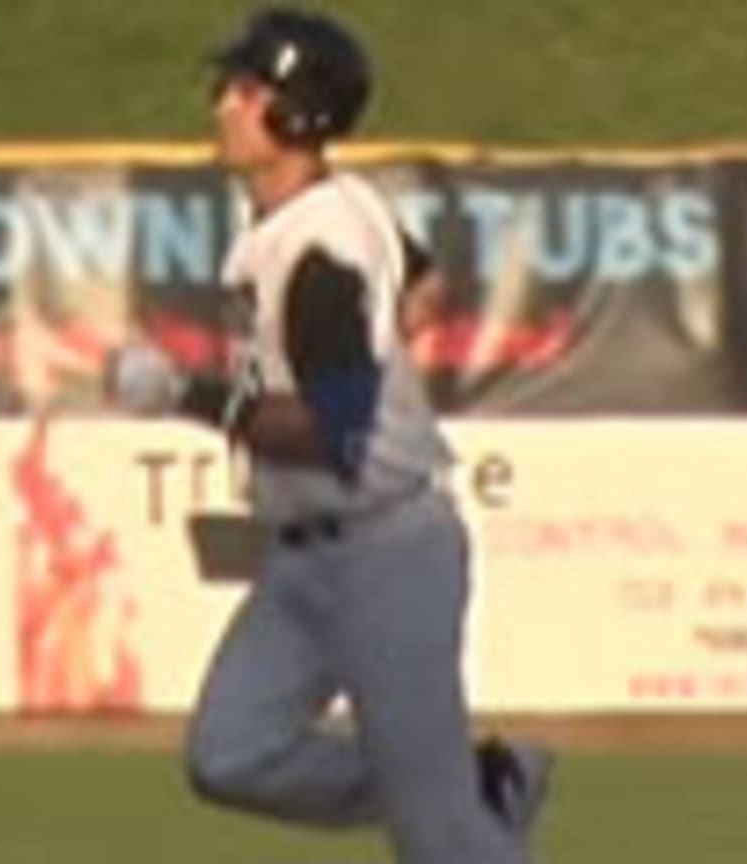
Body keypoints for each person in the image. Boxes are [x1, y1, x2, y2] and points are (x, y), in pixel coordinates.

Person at [103, 7, 551, 863]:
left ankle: (457, 796)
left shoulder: (317, 254)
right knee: (231, 755)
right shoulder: (338, 211)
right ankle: (474, 780)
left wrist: (179, 392)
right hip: (307, 561)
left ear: (296, 114)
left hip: (386, 556)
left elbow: (332, 434)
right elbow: (420, 287)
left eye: (246, 90)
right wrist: (374, 351)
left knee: (439, 840)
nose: (223, 104)